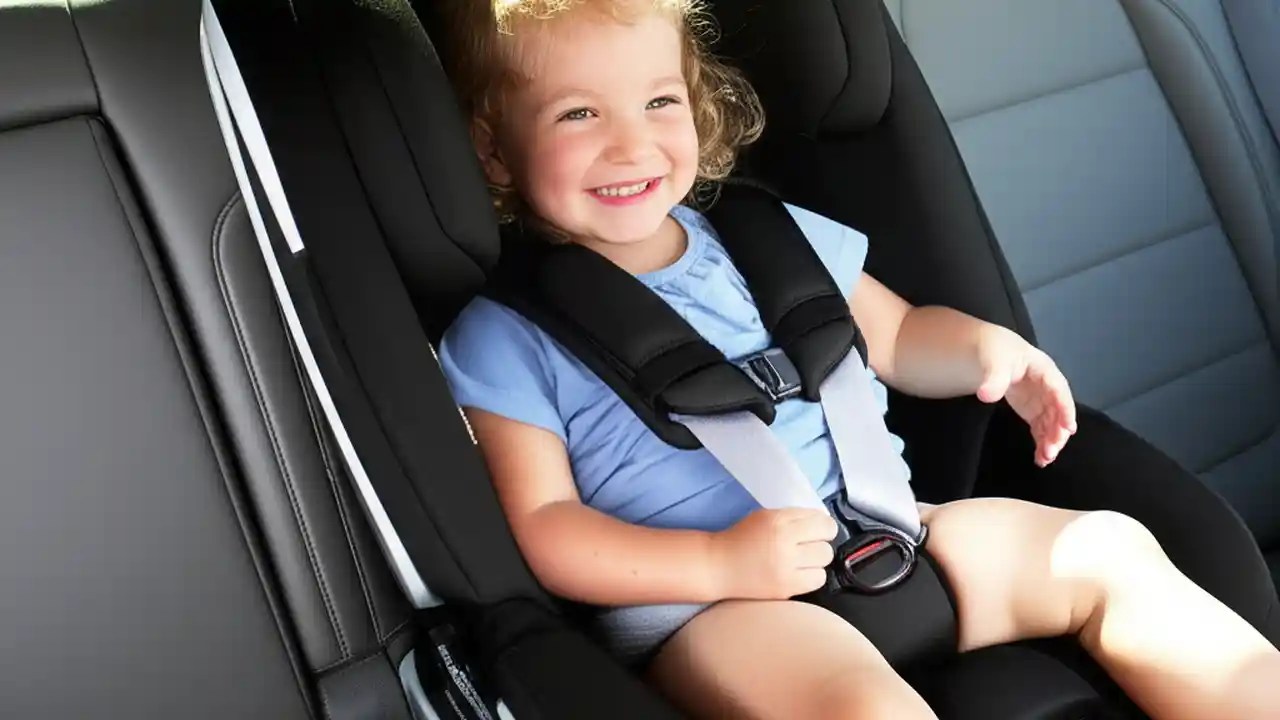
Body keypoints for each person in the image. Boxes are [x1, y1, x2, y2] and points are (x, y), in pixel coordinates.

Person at [434, 1, 1280, 717]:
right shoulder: (505, 335)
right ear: (495, 148)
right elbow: (545, 529)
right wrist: (717, 563)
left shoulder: (770, 237)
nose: (632, 144)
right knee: (862, 709)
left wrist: (994, 353)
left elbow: (904, 337)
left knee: (1105, 550)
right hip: (717, 607)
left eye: (659, 101)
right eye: (578, 114)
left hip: (893, 530)